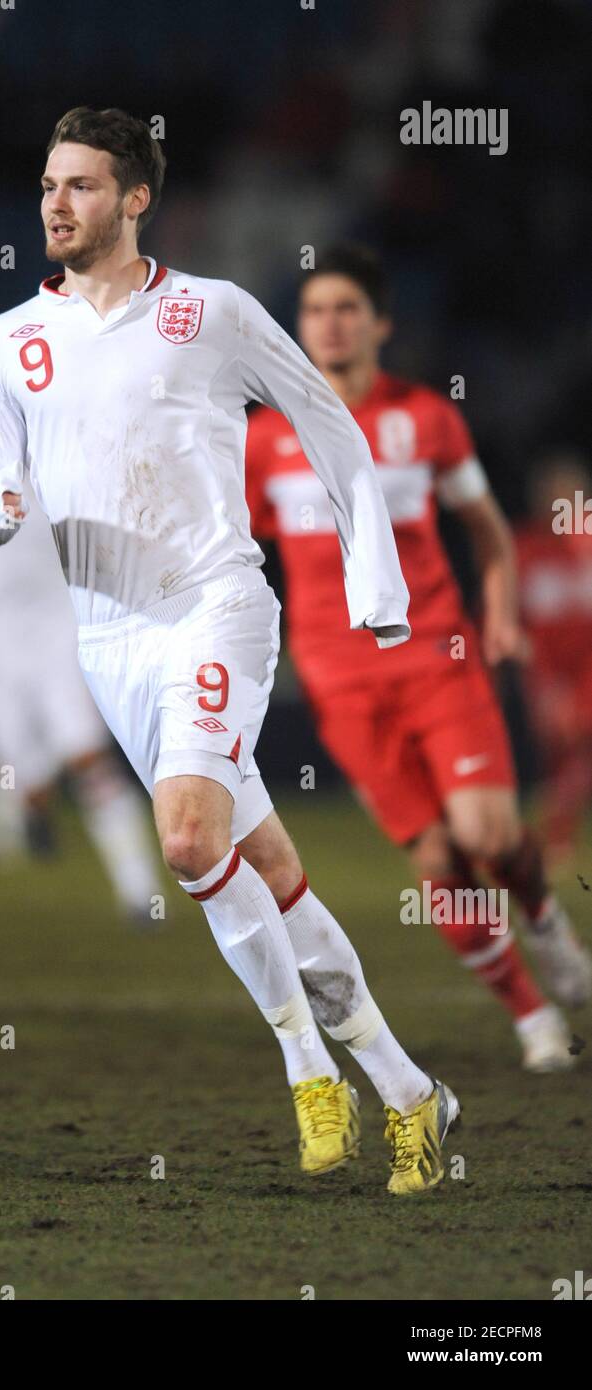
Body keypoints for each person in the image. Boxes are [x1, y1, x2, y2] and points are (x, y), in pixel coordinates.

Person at [0, 106, 460, 1194]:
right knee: (265, 870)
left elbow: (328, 422)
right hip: (108, 640)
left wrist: (377, 585)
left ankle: (302, 1067)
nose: (56, 202)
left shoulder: (211, 313)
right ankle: (410, 1087)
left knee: (189, 842)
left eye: (82, 184)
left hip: (213, 604)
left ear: (135, 198)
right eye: (49, 183)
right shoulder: (6, 342)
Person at [245, 243, 591, 1073]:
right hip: (339, 681)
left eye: (345, 309)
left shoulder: (426, 420)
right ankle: (532, 1015)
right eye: (315, 311)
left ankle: (542, 919)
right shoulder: (263, 438)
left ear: (380, 325)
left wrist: (500, 614)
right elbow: (236, 548)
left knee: (488, 834)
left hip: (437, 659)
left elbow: (487, 533)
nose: (328, 325)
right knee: (437, 858)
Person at [0, 396, 163, 925]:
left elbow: (98, 542)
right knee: (19, 772)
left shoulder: (51, 473)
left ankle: (140, 894)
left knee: (87, 755)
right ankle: (36, 807)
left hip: (58, 639)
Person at [514, 450, 592, 868]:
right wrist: (541, 681)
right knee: (560, 754)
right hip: (545, 673)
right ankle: (556, 834)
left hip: (588, 670)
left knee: (580, 748)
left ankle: (557, 834)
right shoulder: (526, 549)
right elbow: (512, 618)